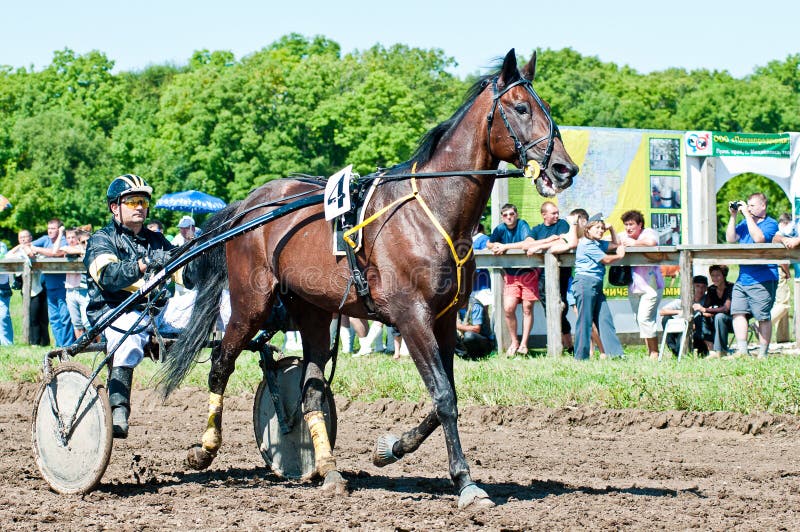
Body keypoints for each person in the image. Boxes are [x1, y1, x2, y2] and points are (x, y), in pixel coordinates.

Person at [85, 174, 192, 438]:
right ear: (114, 207)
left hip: (156, 312)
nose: (140, 207)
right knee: (129, 337)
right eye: (132, 201)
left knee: (208, 303)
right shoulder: (101, 239)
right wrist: (144, 263)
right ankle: (119, 407)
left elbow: (184, 276)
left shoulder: (157, 240)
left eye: (143, 201)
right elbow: (108, 277)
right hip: (113, 311)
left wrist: (200, 262)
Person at [727, 192, 779, 359]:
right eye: (747, 206)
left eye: (752, 206)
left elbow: (759, 239)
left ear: (763, 206)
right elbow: (730, 238)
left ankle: (762, 354)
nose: (748, 209)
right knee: (738, 312)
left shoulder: (771, 223)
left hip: (763, 277)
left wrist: (747, 216)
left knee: (762, 317)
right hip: (743, 277)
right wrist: (734, 217)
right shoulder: (744, 222)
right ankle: (743, 352)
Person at [572, 214, 625, 360]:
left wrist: (612, 228)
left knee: (605, 318)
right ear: (587, 230)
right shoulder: (586, 243)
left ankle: (616, 354)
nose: (601, 231)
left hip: (596, 284)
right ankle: (581, 357)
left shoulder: (598, 243)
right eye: (597, 228)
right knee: (585, 320)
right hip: (585, 283)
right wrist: (619, 256)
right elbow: (606, 259)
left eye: (602, 228)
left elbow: (616, 244)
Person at [487, 203, 537, 356]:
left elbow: (528, 243)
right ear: (502, 217)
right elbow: (489, 243)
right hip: (511, 275)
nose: (509, 217)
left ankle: (524, 344)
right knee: (508, 308)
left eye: (511, 214)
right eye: (505, 215)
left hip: (528, 273)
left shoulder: (522, 224)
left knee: (527, 308)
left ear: (516, 214)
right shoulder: (500, 228)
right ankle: (514, 341)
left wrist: (505, 246)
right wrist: (494, 246)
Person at [619, 210, 664, 360]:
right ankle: (650, 351)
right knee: (640, 319)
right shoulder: (624, 236)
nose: (628, 228)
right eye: (626, 224)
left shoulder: (648, 233)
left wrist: (635, 243)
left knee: (645, 318)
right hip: (633, 286)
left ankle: (655, 353)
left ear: (640, 225)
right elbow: (610, 241)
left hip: (651, 284)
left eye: (631, 224)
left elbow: (652, 243)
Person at [32, 219, 75, 347]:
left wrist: (38, 250)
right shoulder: (45, 239)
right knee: (54, 318)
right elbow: (28, 246)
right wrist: (34, 249)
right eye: (49, 228)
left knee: (65, 317)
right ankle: (59, 345)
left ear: (60, 229)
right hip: (49, 285)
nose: (50, 231)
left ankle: (67, 345)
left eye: (53, 228)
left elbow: (55, 252)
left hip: (63, 285)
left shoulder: (63, 239)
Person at [7, 229, 50, 345]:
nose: (24, 239)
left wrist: (30, 248)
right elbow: (7, 256)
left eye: (26, 237)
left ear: (31, 238)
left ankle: (44, 342)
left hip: (40, 287)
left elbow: (35, 256)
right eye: (21, 238)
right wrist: (19, 246)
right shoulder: (19, 252)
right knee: (32, 317)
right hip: (27, 290)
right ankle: (34, 342)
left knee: (43, 318)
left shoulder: (37, 249)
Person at [659, 275, 711, 357]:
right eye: (697, 286)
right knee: (666, 319)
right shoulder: (683, 299)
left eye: (703, 287)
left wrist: (702, 311)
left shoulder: (708, 299)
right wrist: (679, 312)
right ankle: (674, 350)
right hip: (681, 327)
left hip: (699, 331)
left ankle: (701, 351)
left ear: (706, 289)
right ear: (692, 287)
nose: (700, 289)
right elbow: (662, 311)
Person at [57, 228, 90, 338]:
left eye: (73, 237)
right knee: (76, 323)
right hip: (70, 289)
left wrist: (81, 250)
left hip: (84, 289)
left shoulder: (85, 248)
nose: (71, 240)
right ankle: (80, 349)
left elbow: (83, 249)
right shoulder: (67, 250)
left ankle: (98, 346)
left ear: (78, 239)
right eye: (68, 238)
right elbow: (59, 250)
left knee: (88, 322)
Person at [770, 213, 795, 342]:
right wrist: (788, 272)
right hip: (780, 270)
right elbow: (781, 258)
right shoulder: (780, 233)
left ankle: (783, 337)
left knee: (780, 302)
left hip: (774, 270)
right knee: (783, 303)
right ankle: (760, 325)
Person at [702, 265, 734, 359]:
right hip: (717, 321)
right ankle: (711, 350)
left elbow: (726, 309)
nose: (715, 278)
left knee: (720, 316)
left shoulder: (731, 287)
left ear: (724, 276)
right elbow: (705, 307)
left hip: (733, 321)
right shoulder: (711, 289)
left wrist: (706, 310)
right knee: (703, 317)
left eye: (718, 275)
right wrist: (705, 311)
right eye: (712, 275)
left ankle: (721, 351)